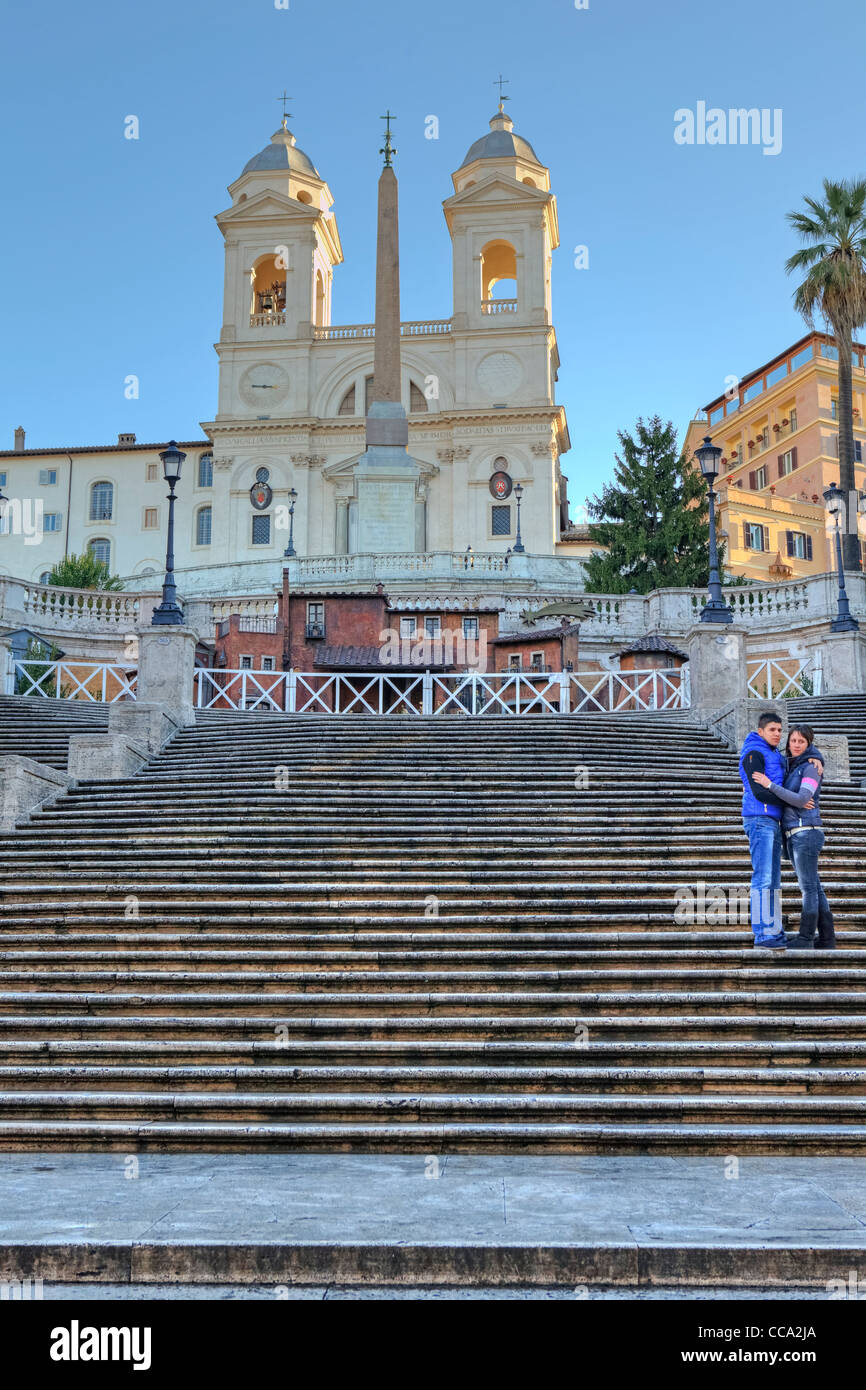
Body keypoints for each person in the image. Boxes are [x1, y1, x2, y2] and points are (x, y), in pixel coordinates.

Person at [738, 711, 819, 950]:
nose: (777, 734)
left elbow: (801, 754)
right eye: (772, 730)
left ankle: (773, 931)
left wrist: (817, 759)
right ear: (761, 731)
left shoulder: (774, 754)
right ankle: (763, 934)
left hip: (773, 822)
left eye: (780, 730)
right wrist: (794, 801)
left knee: (773, 880)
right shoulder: (754, 753)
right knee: (763, 878)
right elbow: (758, 791)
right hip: (759, 819)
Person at [751, 723, 836, 951]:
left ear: (809, 745)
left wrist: (770, 786)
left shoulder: (809, 767)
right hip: (797, 832)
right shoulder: (794, 765)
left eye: (802, 742)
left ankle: (806, 938)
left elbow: (802, 798)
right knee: (815, 887)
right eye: (794, 740)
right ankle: (827, 939)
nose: (796, 745)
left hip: (806, 832)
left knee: (808, 888)